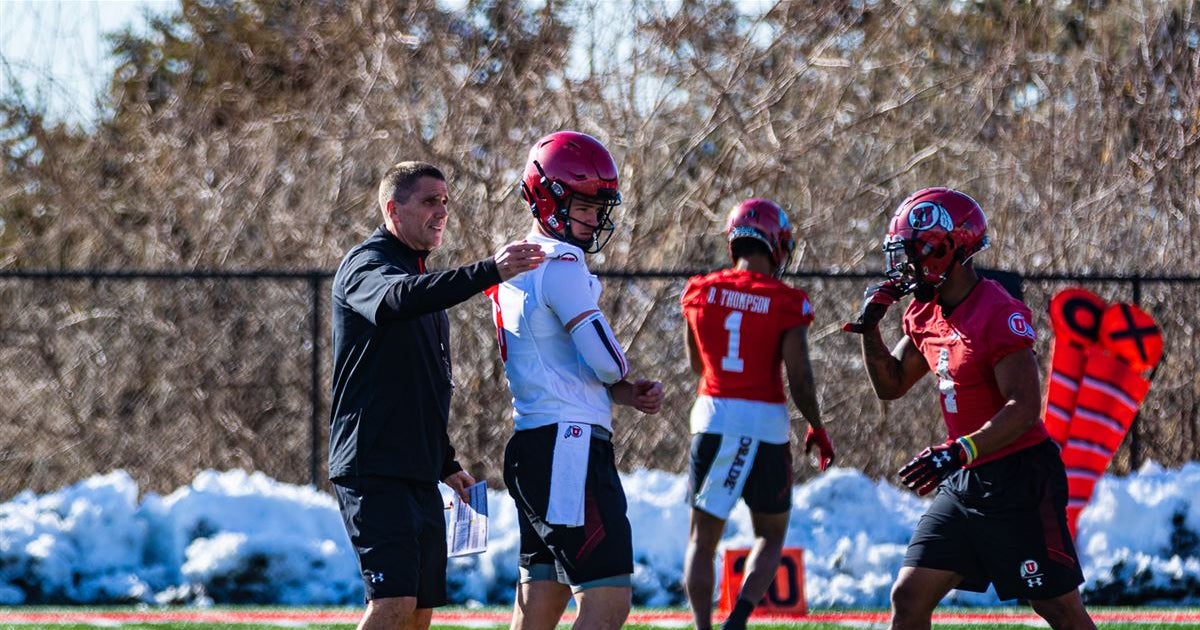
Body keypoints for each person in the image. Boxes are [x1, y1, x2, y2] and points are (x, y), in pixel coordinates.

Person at [842, 187, 1096, 630]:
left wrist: (957, 451)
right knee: (909, 594)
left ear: (946, 249)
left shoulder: (997, 312)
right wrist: (870, 330)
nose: (904, 267)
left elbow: (1024, 409)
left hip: (1020, 480)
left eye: (913, 253)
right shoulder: (925, 311)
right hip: (966, 479)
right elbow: (892, 384)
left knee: (1058, 609)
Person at [329, 161, 546, 630]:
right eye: (429, 201)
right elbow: (395, 299)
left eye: (445, 202)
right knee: (393, 603)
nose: (441, 211)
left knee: (421, 609)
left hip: (418, 471)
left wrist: (446, 463)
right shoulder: (366, 265)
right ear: (393, 209)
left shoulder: (422, 282)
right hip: (374, 467)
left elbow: (419, 390)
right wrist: (490, 269)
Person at [485, 131, 664, 630]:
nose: (594, 217)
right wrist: (623, 377)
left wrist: (622, 393)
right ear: (549, 196)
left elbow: (558, 363)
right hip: (570, 446)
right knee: (608, 598)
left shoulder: (516, 265)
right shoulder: (560, 262)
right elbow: (605, 359)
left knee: (542, 599)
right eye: (584, 204)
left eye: (599, 205)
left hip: (534, 444)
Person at [679, 198, 835, 630]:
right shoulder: (786, 301)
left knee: (702, 540)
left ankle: (704, 628)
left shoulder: (699, 290)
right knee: (769, 534)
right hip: (765, 422)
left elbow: (698, 365)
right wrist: (818, 427)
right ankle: (739, 618)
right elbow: (800, 378)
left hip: (712, 414)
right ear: (777, 243)